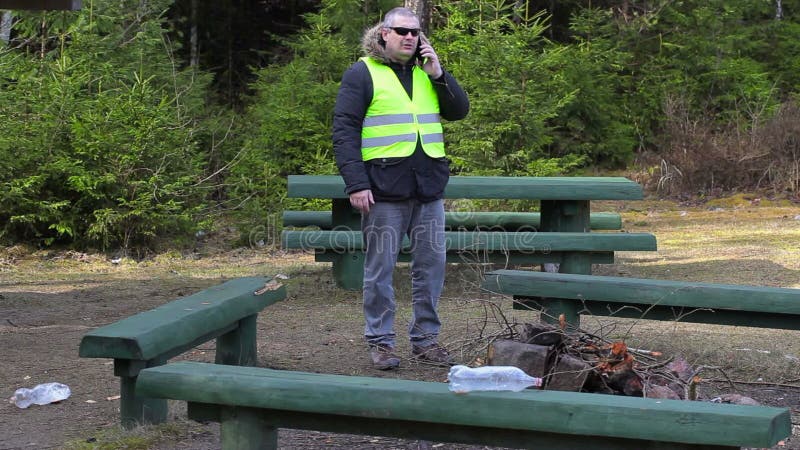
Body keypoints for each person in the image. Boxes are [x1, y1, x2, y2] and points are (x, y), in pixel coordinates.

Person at [333, 7, 469, 370]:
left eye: (415, 32)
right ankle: (381, 342)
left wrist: (439, 73)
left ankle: (425, 340)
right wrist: (356, 183)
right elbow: (344, 130)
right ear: (384, 35)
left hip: (428, 188)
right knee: (380, 270)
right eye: (402, 31)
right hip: (382, 189)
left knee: (432, 266)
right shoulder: (362, 73)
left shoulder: (428, 72)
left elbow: (458, 111)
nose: (410, 37)